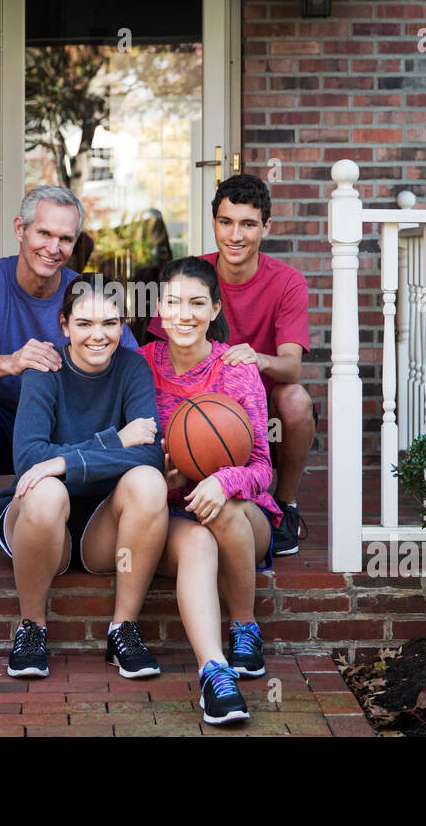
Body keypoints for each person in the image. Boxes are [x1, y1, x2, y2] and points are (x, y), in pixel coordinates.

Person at [0, 185, 139, 556]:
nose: (54, 248)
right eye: (44, 233)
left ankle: (91, 512)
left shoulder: (83, 293)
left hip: (65, 435)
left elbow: (132, 364)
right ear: (20, 228)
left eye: (65, 239)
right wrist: (11, 361)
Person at [0, 274, 168, 679]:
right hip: (38, 522)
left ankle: (122, 631)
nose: (98, 335)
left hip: (101, 529)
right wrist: (115, 440)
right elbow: (29, 459)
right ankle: (31, 628)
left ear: (123, 326)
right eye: (85, 323)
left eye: (110, 323)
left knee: (148, 482)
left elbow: (149, 455)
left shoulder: (132, 368)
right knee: (46, 490)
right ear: (64, 325)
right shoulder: (46, 369)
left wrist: (62, 462)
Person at [140, 257, 279, 725]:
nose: (184, 314)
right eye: (174, 302)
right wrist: (162, 471)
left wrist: (221, 479)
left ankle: (245, 627)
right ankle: (214, 673)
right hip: (169, 519)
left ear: (214, 308)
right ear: (159, 307)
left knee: (221, 510)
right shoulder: (140, 366)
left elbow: (263, 467)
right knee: (196, 524)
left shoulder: (237, 370)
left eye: (197, 303)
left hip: (242, 515)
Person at [146, 174, 312, 556]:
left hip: (258, 399)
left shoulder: (288, 282)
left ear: (266, 227)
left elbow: (292, 368)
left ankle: (284, 508)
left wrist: (258, 357)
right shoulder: (192, 276)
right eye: (226, 222)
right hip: (200, 399)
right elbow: (159, 359)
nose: (235, 235)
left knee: (296, 400)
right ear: (215, 224)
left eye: (248, 224)